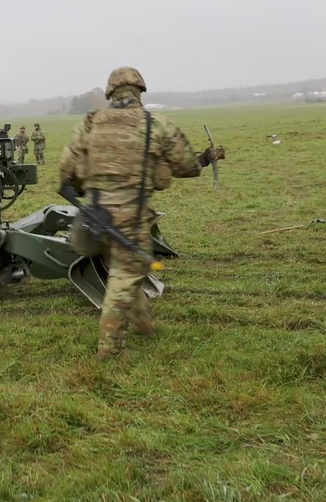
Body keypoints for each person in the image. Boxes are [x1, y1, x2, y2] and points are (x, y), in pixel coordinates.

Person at [58, 66, 216, 359]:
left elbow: (66, 168)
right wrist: (204, 160)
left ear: (111, 92)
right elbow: (186, 166)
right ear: (140, 90)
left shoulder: (91, 122)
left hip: (96, 217)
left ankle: (145, 327)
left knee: (129, 271)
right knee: (124, 277)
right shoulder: (155, 124)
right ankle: (109, 352)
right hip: (129, 218)